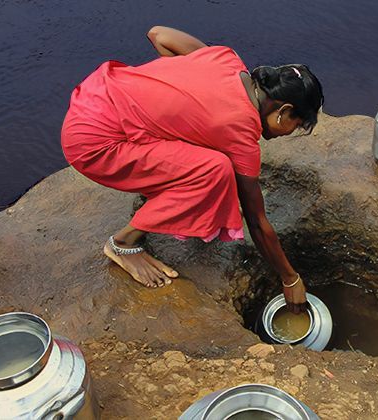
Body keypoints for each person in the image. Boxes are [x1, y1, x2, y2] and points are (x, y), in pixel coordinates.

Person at [61, 26, 323, 313]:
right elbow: (257, 222)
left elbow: (158, 34)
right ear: (284, 111)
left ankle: (162, 180)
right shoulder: (240, 131)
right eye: (296, 125)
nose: (290, 132)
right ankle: (123, 243)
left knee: (200, 148)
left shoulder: (225, 59)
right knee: (215, 169)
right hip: (94, 143)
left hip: (93, 96)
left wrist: (180, 88)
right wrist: (289, 278)